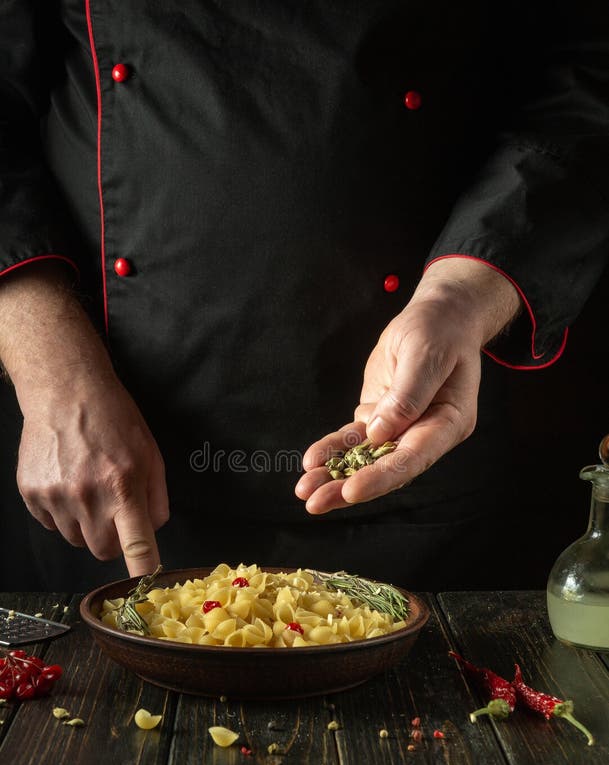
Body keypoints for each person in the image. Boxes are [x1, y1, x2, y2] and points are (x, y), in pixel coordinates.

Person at [0, 1, 608, 592]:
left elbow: (588, 75)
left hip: (426, 440)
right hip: (99, 452)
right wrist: (54, 378)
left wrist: (461, 298)